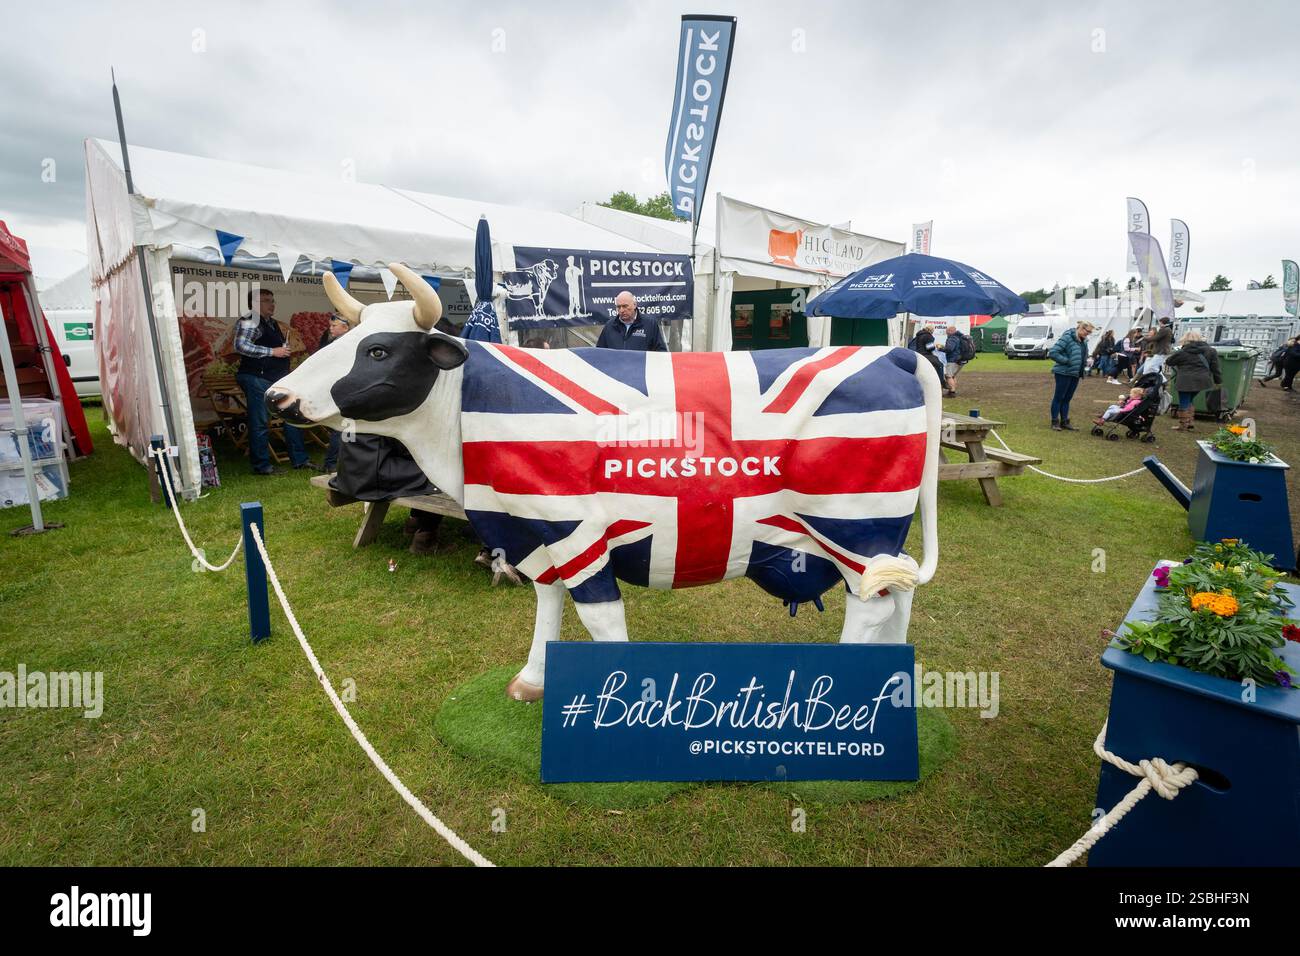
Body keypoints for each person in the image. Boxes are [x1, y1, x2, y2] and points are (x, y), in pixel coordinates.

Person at [235, 288, 318, 474]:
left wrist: (281, 350)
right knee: (260, 422)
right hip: (257, 377)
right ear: (254, 304)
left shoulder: (271, 323)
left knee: (292, 417)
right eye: (266, 300)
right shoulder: (250, 320)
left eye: (272, 300)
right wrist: (273, 351)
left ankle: (300, 460)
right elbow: (240, 346)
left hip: (275, 378)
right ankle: (262, 466)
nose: (272, 304)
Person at [317, 312, 354, 471]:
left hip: (343, 389)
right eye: (330, 325)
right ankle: (334, 463)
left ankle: (337, 462)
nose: (330, 328)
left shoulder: (341, 343)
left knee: (344, 427)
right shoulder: (341, 343)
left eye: (333, 326)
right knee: (344, 427)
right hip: (343, 390)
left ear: (345, 328)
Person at [1164, 331, 1221, 431]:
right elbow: (1215, 367)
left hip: (1185, 380)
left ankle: (1183, 425)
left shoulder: (1183, 352)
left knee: (1184, 401)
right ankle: (1189, 422)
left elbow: (1169, 361)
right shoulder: (1211, 351)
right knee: (1189, 400)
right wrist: (1218, 381)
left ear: (1185, 340)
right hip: (1202, 381)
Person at [1047, 321, 1093, 431]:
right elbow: (1053, 352)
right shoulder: (1067, 337)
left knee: (1067, 398)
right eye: (1088, 331)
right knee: (1059, 398)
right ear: (1081, 328)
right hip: (1063, 372)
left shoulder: (1083, 341)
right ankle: (1055, 422)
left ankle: (1065, 422)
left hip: (1075, 373)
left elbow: (1080, 355)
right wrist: (1067, 361)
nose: (1089, 334)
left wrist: (1086, 361)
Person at [595, 291, 667, 351]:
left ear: (635, 305)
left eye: (625, 306)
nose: (621, 310)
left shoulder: (650, 324)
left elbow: (661, 352)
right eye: (618, 307)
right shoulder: (609, 326)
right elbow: (599, 353)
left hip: (640, 367)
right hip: (616, 368)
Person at [940, 324, 970, 397]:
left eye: (947, 331)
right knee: (953, 376)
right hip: (960, 359)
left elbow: (949, 349)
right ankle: (952, 390)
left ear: (951, 331)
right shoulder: (960, 337)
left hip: (953, 360)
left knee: (948, 376)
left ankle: (952, 392)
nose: (946, 332)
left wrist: (940, 348)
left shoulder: (952, 338)